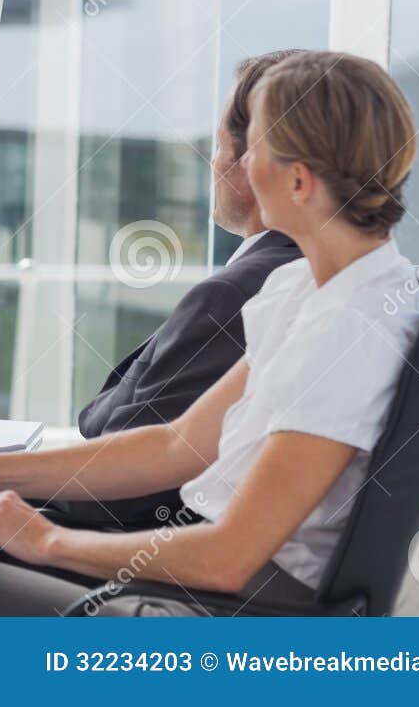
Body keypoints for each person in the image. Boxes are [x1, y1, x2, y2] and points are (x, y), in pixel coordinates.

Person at [0, 50, 419, 615]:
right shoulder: (305, 286)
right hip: (206, 580)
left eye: (253, 147)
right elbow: (176, 445)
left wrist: (45, 539)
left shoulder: (351, 328)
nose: (240, 163)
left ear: (298, 180)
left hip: (232, 607)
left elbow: (231, 557)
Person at [49, 49, 302, 530]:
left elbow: (108, 492)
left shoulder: (238, 295)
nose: (213, 161)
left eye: (217, 143)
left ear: (252, 161)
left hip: (122, 548)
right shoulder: (302, 278)